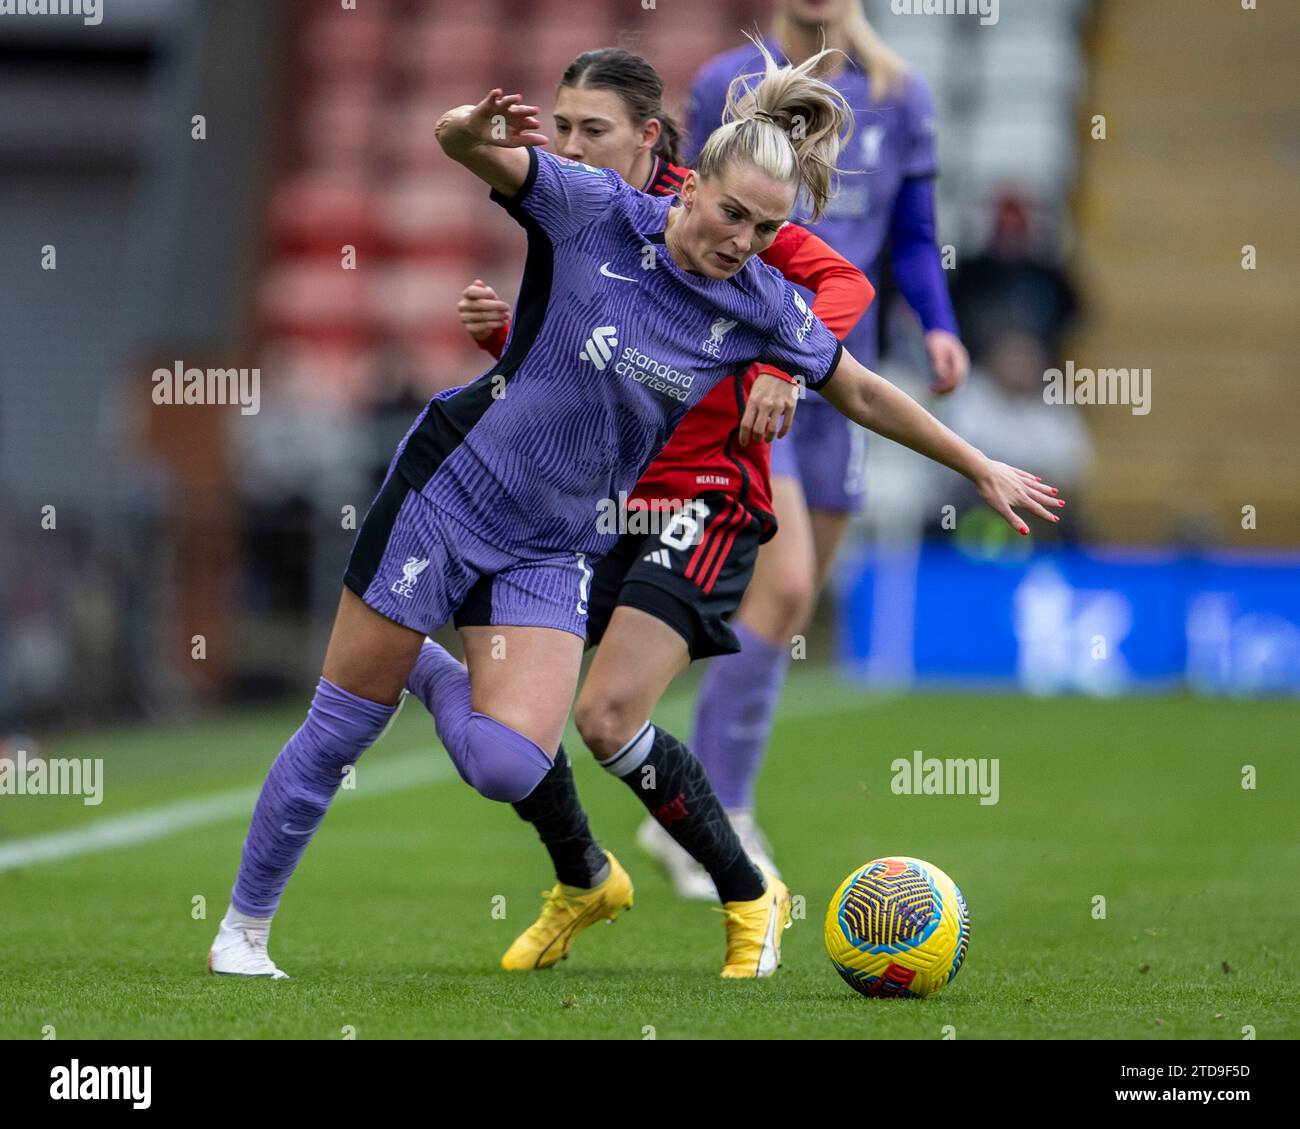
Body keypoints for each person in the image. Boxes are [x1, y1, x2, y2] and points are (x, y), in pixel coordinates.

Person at [209, 39, 1062, 981]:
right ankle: (243, 933)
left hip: (556, 541)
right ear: (688, 188)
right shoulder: (595, 210)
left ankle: (419, 661)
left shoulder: (761, 305)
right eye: (732, 212)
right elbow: (470, 150)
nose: (742, 239)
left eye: (765, 229)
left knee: (503, 763)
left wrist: (979, 462)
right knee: (340, 726)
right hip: (448, 494)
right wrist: (464, 131)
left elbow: (859, 391)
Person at [452, 45, 875, 967]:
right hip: (593, 496)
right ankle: (582, 872)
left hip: (700, 495)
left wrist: (778, 367)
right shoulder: (583, 214)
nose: (567, 144)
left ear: (649, 140)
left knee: (605, 715)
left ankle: (747, 889)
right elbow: (584, 358)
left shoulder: (726, 208)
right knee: (503, 704)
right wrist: (508, 345)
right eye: (558, 127)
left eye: (588, 130)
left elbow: (842, 285)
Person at [673, 1, 972, 889]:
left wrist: (941, 324)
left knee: (789, 605)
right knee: (788, 578)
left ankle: (704, 797)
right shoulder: (718, 86)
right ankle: (716, 813)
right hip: (754, 364)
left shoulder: (897, 95)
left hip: (844, 373)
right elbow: (683, 210)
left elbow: (913, 238)